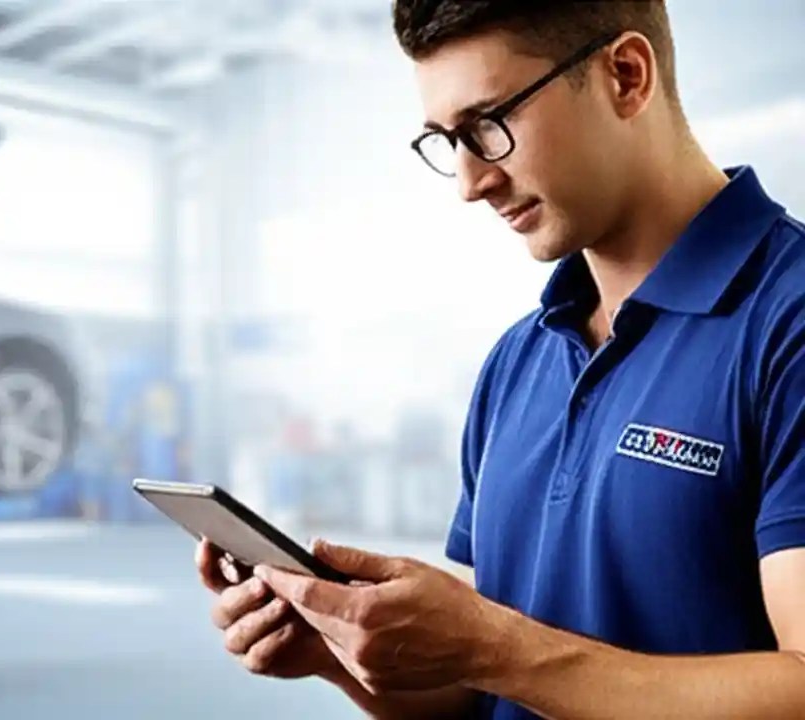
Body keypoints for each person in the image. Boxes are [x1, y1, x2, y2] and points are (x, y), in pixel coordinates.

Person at [196, 1, 805, 718]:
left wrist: (492, 644)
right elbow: (491, 696)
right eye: (447, 141)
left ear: (626, 76)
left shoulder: (787, 325)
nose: (469, 182)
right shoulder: (517, 362)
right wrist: (344, 656)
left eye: (489, 125)